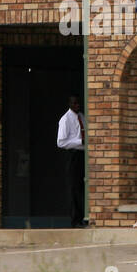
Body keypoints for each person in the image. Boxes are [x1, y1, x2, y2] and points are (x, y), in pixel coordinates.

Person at [56, 95, 87, 227]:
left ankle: (84, 217)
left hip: (83, 154)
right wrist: (80, 142)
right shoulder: (65, 119)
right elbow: (61, 142)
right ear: (69, 104)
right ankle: (75, 220)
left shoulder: (82, 116)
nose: (77, 106)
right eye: (74, 103)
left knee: (83, 186)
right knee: (74, 188)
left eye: (78, 103)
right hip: (73, 155)